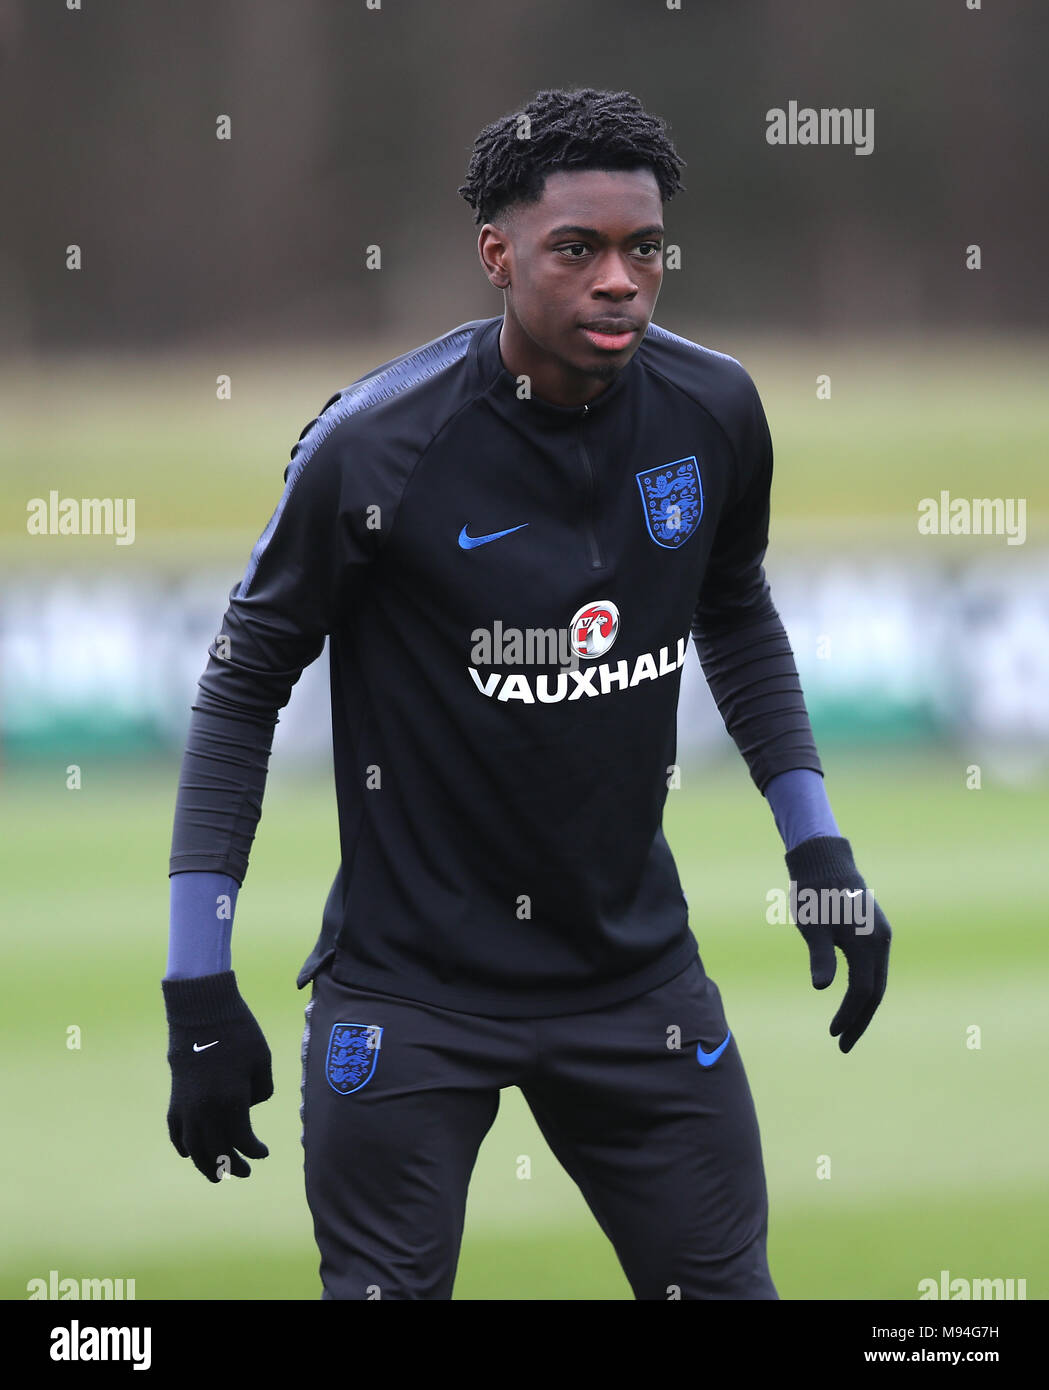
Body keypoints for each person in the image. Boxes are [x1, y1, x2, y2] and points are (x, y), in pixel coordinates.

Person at [162, 86, 891, 1300]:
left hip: (634, 984)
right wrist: (197, 985)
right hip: (408, 997)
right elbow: (241, 691)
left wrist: (818, 850)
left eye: (643, 249)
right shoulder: (374, 448)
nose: (620, 280)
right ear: (496, 255)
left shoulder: (714, 413)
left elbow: (735, 610)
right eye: (578, 249)